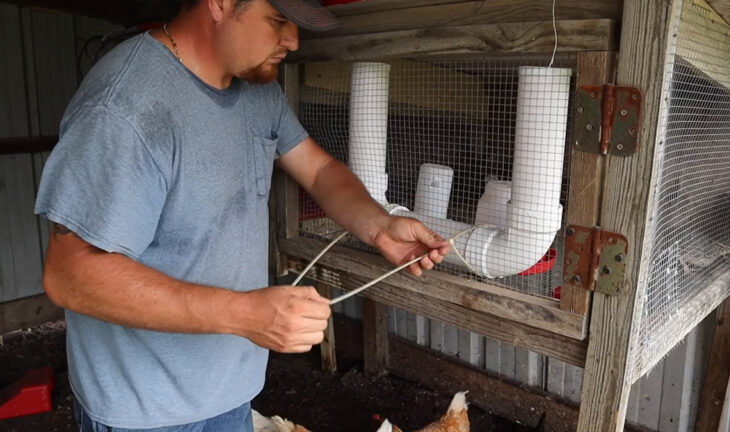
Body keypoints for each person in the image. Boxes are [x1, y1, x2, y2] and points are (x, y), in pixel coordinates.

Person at [34, 0, 450, 430]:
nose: (292, 40)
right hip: (146, 411)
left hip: (232, 389)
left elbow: (320, 170)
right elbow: (71, 274)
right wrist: (247, 315)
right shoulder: (125, 106)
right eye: (278, 21)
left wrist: (379, 226)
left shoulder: (256, 87)